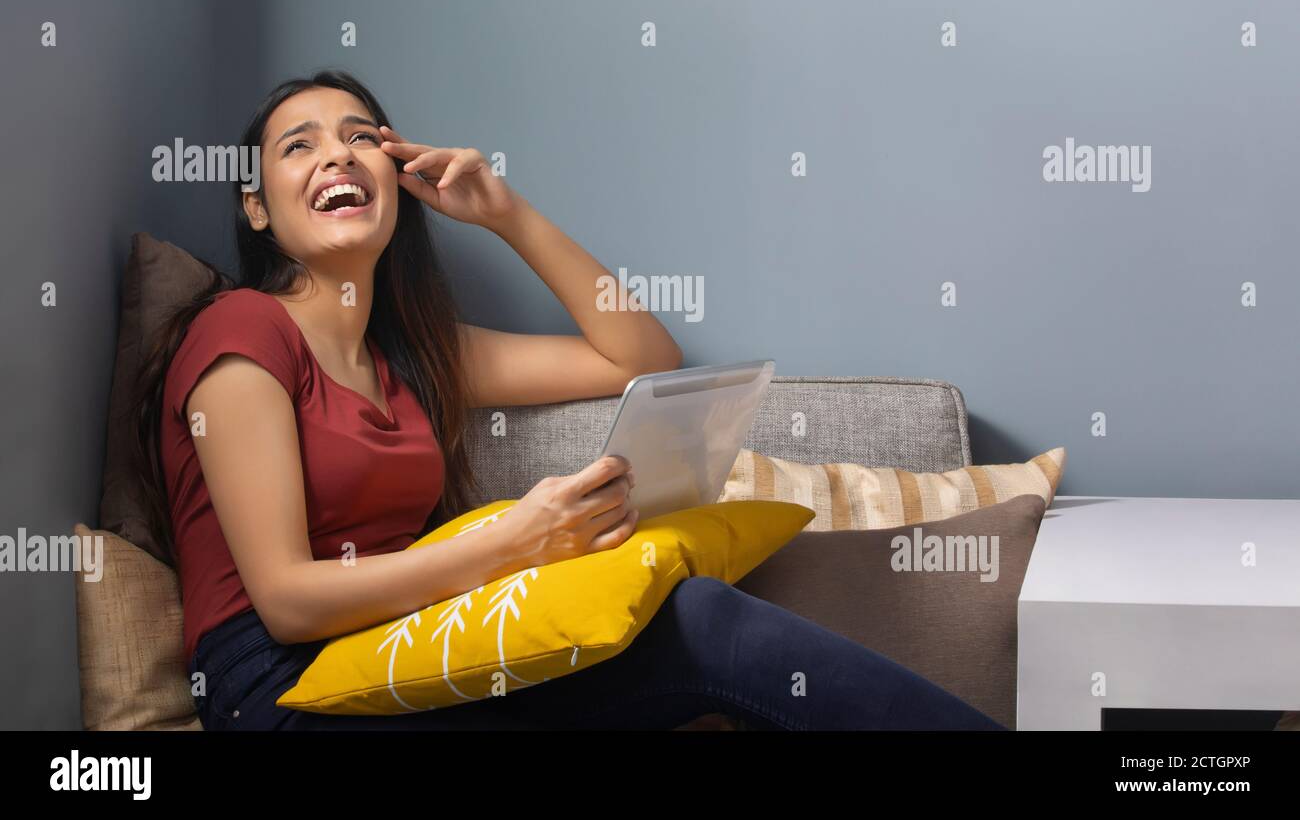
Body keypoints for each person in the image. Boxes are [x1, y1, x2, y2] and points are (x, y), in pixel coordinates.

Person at [131, 69, 1004, 731]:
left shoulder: (416, 355)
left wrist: (507, 213)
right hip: (284, 690)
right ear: (256, 208)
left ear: (394, 175)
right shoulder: (239, 330)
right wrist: (512, 546)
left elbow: (636, 356)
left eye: (362, 138)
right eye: (300, 146)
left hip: (407, 647)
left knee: (682, 620)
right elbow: (285, 598)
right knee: (695, 624)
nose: (338, 155)